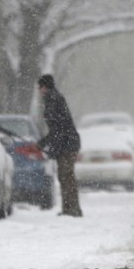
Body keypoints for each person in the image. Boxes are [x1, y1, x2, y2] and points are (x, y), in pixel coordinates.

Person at [36, 74, 82, 217]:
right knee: (65, 176)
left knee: (66, 176)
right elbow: (57, 129)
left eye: (40, 87)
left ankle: (72, 209)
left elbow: (58, 129)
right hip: (66, 143)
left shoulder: (53, 100)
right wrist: (46, 145)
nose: (39, 90)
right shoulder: (54, 98)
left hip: (67, 145)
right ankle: (69, 208)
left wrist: (44, 146)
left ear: (45, 87)